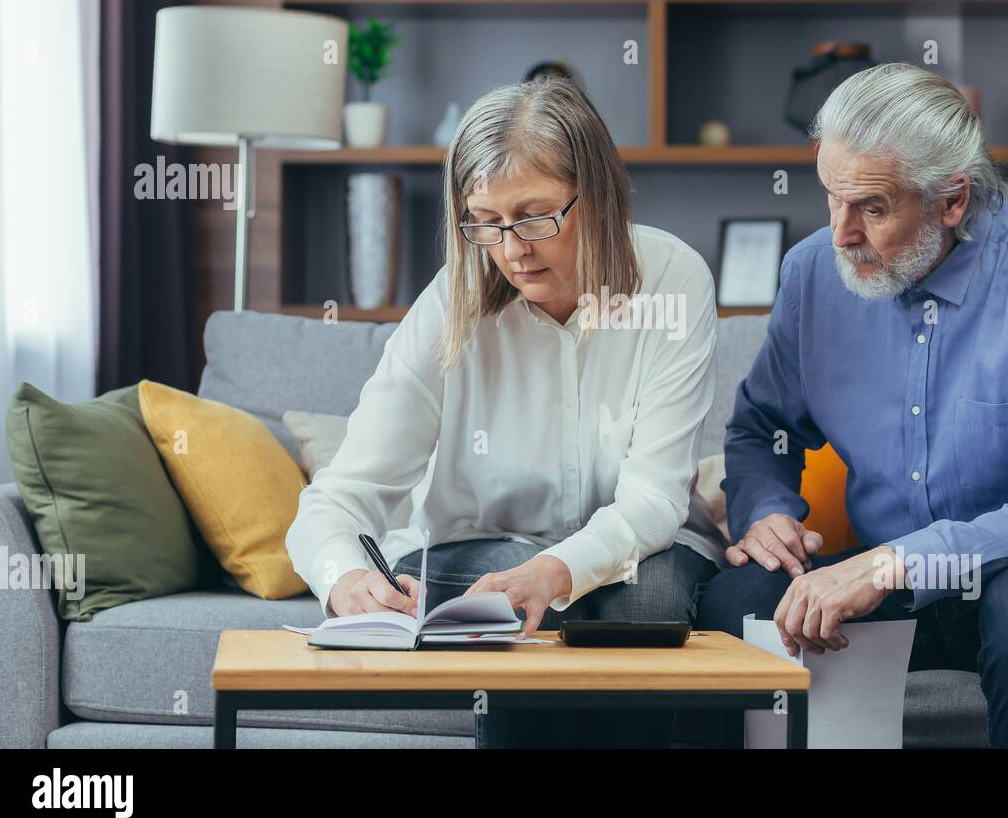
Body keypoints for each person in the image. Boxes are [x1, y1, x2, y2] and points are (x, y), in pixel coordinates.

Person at [696, 62, 1008, 748]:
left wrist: (894, 564)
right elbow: (761, 428)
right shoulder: (812, 275)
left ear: (952, 200)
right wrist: (766, 511)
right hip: (893, 577)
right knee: (736, 601)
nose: (839, 233)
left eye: (872, 208)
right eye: (831, 195)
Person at [286, 77, 724, 747]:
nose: (512, 246)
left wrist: (555, 571)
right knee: (497, 601)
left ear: (597, 196)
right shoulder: (450, 303)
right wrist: (343, 578)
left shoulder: (674, 280)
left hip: (645, 551)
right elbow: (337, 500)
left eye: (536, 214)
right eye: (486, 221)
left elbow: (652, 502)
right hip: (482, 550)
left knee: (642, 599)